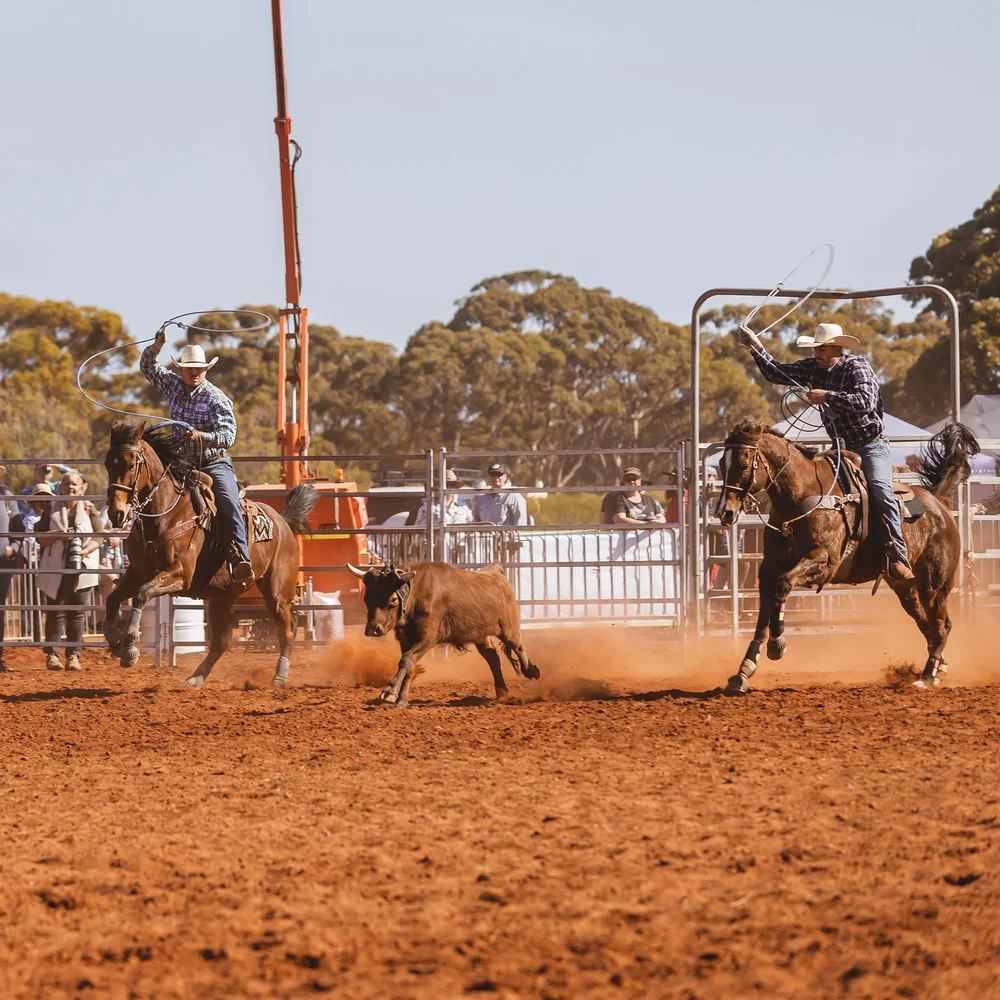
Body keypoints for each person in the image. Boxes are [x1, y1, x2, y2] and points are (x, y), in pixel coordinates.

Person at [738, 321, 914, 581]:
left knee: (880, 488)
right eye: (815, 349)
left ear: (836, 349)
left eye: (821, 349)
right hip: (841, 448)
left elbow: (865, 401)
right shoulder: (812, 368)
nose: (815, 354)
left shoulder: (858, 367)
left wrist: (828, 396)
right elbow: (776, 372)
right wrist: (756, 346)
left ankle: (897, 555)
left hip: (870, 445)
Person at [140, 332, 253, 582]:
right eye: (190, 368)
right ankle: (142, 552)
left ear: (206, 369)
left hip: (213, 463)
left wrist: (200, 436)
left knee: (227, 499)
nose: (195, 373)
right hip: (180, 461)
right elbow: (147, 367)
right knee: (150, 490)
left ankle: (240, 556)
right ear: (181, 370)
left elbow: (228, 435)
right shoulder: (173, 385)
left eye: (199, 368)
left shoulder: (215, 397)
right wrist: (157, 346)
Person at [37, 471, 103, 671]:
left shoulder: (89, 508)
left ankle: (74, 656)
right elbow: (39, 538)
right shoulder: (50, 509)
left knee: (77, 613)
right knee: (55, 611)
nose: (70, 488)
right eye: (66, 484)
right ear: (60, 487)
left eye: (74, 484)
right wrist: (59, 535)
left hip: (82, 567)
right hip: (55, 567)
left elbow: (99, 537)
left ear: (83, 487)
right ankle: (52, 656)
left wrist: (84, 551)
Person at [600, 467, 666, 525]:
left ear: (640, 480)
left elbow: (661, 516)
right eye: (628, 479)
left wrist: (659, 521)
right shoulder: (618, 498)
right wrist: (645, 524)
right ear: (624, 482)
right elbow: (619, 519)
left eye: (634, 478)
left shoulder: (649, 499)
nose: (632, 482)